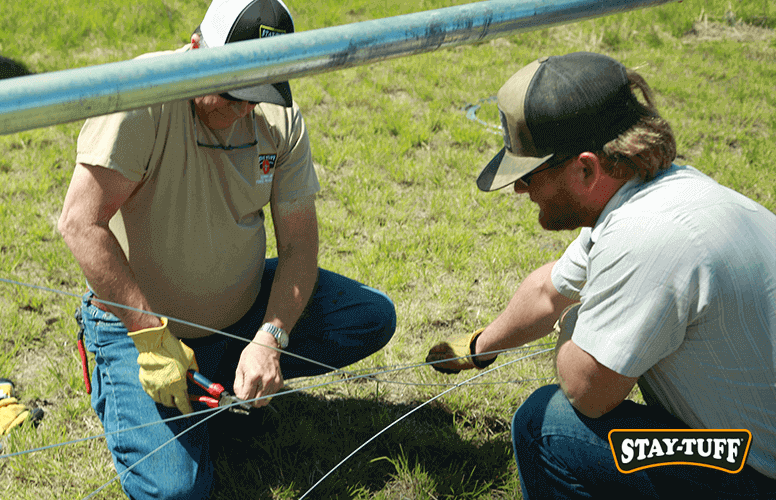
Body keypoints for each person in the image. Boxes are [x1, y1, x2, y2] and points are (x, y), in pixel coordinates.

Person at [57, 0, 397, 497]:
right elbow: (80, 223)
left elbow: (300, 245)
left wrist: (271, 336)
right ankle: (175, 393)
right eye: (233, 92)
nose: (245, 109)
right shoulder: (141, 96)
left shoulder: (277, 119)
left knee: (369, 316)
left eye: (258, 94)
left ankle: (222, 381)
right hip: (138, 331)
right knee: (179, 492)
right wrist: (151, 338)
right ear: (197, 50)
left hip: (243, 312)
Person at [426, 52, 776, 498]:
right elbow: (547, 289)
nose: (518, 188)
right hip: (759, 449)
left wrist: (575, 324)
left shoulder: (644, 237)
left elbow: (586, 389)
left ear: (586, 168)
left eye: (529, 174)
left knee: (547, 427)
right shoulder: (659, 192)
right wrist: (476, 348)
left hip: (756, 473)